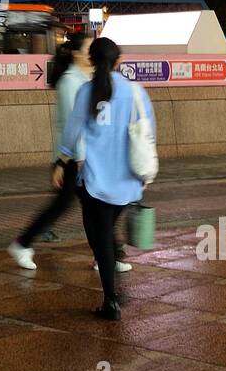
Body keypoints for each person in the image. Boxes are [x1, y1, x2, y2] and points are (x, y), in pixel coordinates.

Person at [8, 34, 130, 272]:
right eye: (86, 48)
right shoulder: (69, 82)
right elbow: (72, 127)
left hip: (84, 159)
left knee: (91, 207)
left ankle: (108, 254)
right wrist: (74, 162)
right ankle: (23, 244)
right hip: (74, 159)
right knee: (69, 205)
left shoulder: (88, 79)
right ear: (76, 53)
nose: (90, 52)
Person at [54, 37, 155, 321]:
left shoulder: (87, 91)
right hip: (127, 180)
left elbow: (72, 131)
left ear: (92, 60)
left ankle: (111, 299)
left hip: (96, 180)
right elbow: (147, 132)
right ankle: (111, 284)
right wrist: (145, 172)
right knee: (106, 233)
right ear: (118, 61)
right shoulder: (135, 91)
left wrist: (61, 161)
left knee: (98, 235)